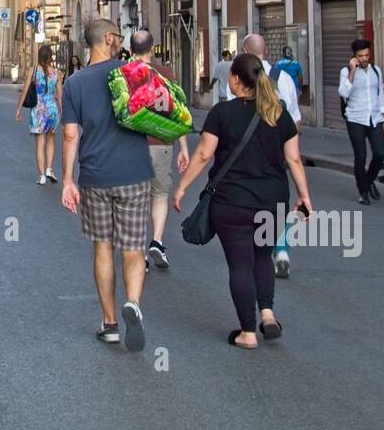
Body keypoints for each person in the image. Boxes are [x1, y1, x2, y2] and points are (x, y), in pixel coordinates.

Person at [172, 54, 313, 351]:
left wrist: (182, 187)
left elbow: (204, 155)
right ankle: (268, 313)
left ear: (235, 79)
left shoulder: (222, 113)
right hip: (272, 199)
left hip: (232, 201)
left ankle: (248, 332)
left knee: (240, 264)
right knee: (263, 257)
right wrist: (304, 196)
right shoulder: (279, 114)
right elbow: (295, 159)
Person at [61, 18, 154, 352]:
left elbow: (71, 135)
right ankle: (133, 302)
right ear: (111, 39)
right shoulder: (134, 73)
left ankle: (111, 323)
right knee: (133, 248)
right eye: (118, 37)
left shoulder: (74, 83)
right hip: (134, 172)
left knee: (103, 248)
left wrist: (67, 180)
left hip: (95, 176)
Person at [127, 30, 189, 272]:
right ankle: (158, 241)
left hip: (134, 145)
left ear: (131, 50)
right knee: (160, 194)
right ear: (152, 49)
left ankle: (141, 252)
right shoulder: (166, 74)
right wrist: (183, 147)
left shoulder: (123, 76)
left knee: (137, 199)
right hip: (162, 143)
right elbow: (178, 113)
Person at [241, 34, 302, 277]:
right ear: (266, 51)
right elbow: (296, 120)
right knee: (279, 200)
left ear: (245, 50)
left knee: (246, 200)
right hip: (278, 149)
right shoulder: (284, 77)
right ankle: (282, 248)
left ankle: (255, 249)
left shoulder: (238, 76)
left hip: (247, 152)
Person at [338, 39, 384, 205]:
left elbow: (379, 95)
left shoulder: (376, 70)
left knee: (380, 153)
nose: (364, 59)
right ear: (354, 57)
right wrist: (352, 71)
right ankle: (363, 191)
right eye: (360, 56)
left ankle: (369, 180)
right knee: (360, 156)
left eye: (367, 55)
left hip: (374, 118)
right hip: (355, 119)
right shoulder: (346, 71)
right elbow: (344, 93)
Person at [15, 44, 63, 185]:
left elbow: (25, 91)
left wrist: (18, 109)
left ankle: (42, 175)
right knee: (51, 140)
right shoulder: (57, 73)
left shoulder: (33, 70)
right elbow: (60, 95)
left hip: (38, 110)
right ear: (50, 57)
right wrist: (63, 113)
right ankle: (49, 169)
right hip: (52, 109)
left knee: (39, 144)